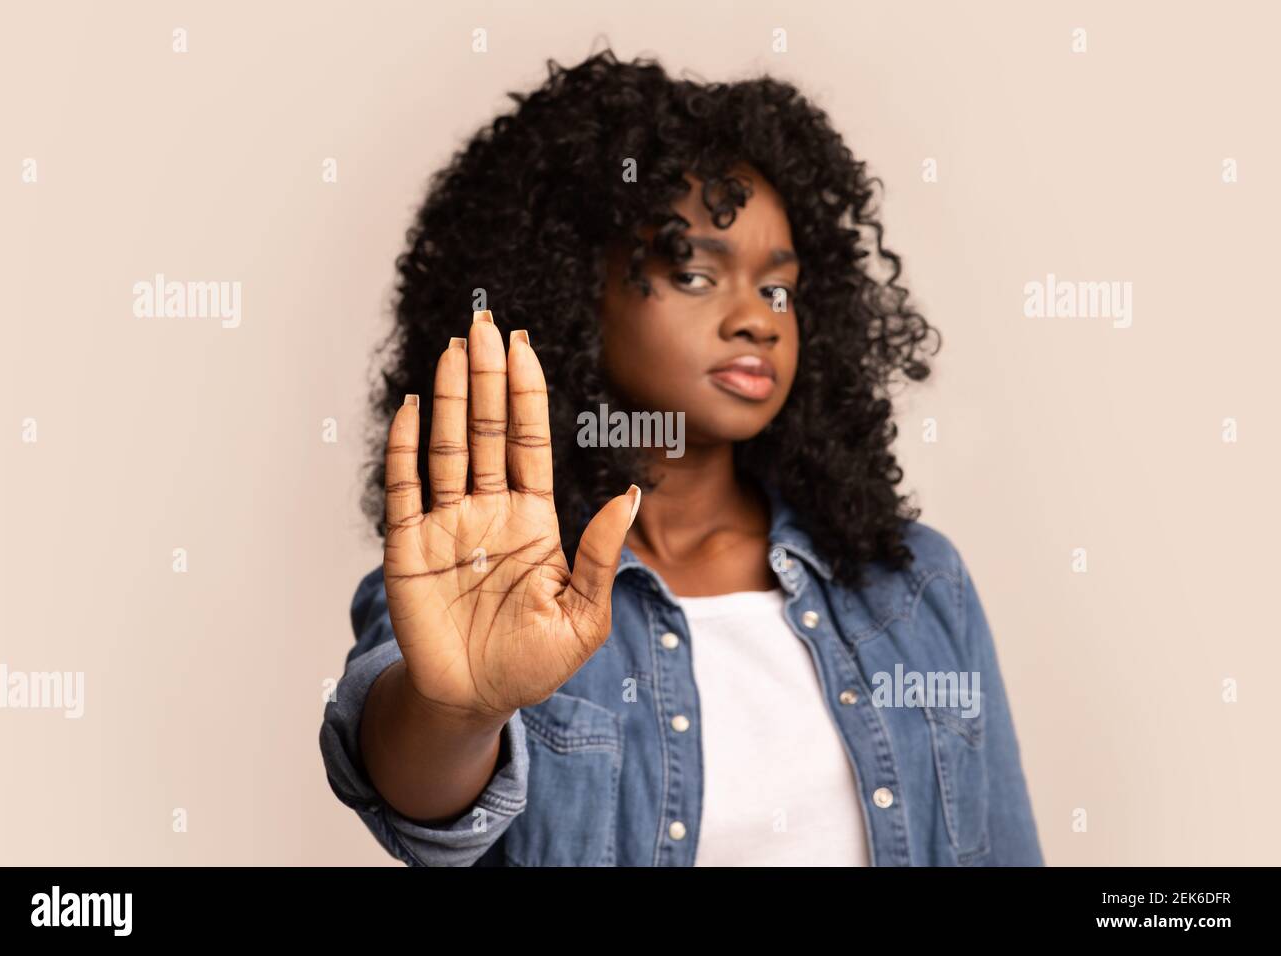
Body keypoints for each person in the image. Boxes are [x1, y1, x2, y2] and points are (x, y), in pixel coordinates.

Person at [318, 48, 1044, 866]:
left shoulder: (913, 583)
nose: (757, 320)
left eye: (780, 289)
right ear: (569, 287)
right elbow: (418, 793)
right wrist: (457, 713)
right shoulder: (487, 584)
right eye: (696, 274)